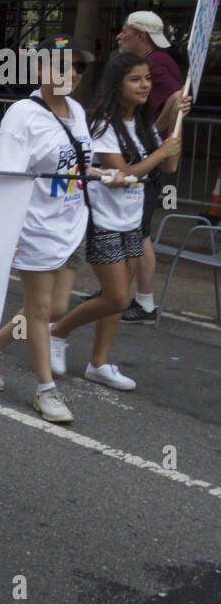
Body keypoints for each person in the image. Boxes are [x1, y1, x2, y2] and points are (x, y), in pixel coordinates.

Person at [48, 54, 189, 387]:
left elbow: (168, 167)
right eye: (135, 80)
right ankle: (58, 331)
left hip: (131, 219)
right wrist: (161, 151)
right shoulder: (101, 125)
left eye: (147, 79)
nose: (144, 86)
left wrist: (173, 118)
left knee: (118, 296)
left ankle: (99, 363)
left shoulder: (140, 125)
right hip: (104, 220)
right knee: (118, 298)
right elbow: (124, 172)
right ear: (116, 85)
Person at [0, 37, 96, 423]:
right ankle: (46, 390)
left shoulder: (77, 111)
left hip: (72, 222)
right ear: (40, 69)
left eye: (78, 67)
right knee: (41, 310)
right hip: (34, 226)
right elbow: (3, 175)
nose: (72, 74)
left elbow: (74, 163)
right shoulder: (22, 114)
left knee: (54, 308)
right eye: (62, 65)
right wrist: (3, 230)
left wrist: (102, 174)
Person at [115, 11, 183, 324]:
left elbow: (170, 109)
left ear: (141, 35)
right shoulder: (156, 63)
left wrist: (157, 132)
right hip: (143, 156)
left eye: (125, 31)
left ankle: (143, 302)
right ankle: (116, 293)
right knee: (130, 230)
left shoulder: (157, 66)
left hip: (147, 160)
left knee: (139, 233)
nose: (118, 36)